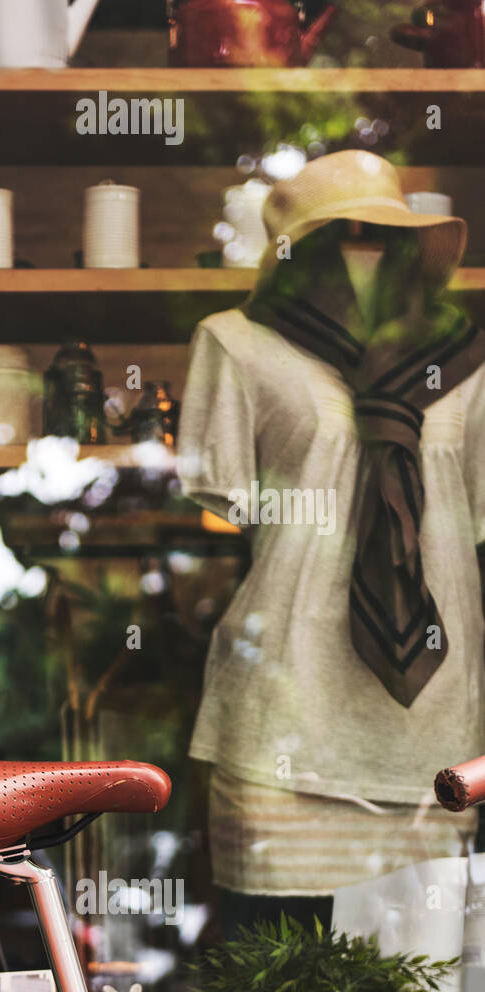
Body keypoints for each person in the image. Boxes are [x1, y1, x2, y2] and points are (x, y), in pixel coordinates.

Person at [177, 150, 485, 937]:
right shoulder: (235, 342)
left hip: (432, 722)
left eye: (384, 233)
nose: (367, 246)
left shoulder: (470, 363)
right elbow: (225, 510)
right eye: (345, 234)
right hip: (285, 707)